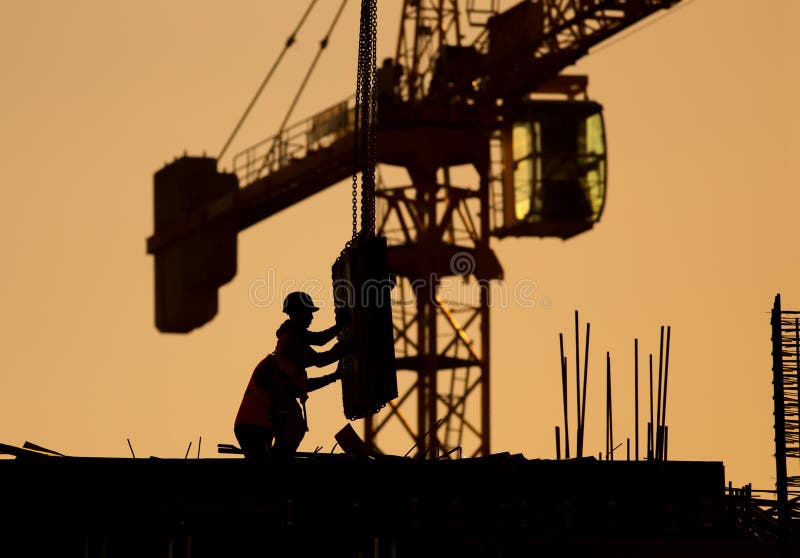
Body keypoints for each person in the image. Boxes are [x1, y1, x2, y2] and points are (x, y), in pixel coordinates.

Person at [234, 291, 347, 458]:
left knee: (293, 424)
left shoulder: (290, 348)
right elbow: (320, 359)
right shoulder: (291, 343)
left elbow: (301, 386)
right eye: (307, 313)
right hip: (254, 425)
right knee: (294, 421)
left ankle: (280, 457)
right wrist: (347, 345)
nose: (311, 317)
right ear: (295, 314)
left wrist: (334, 376)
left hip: (258, 425)